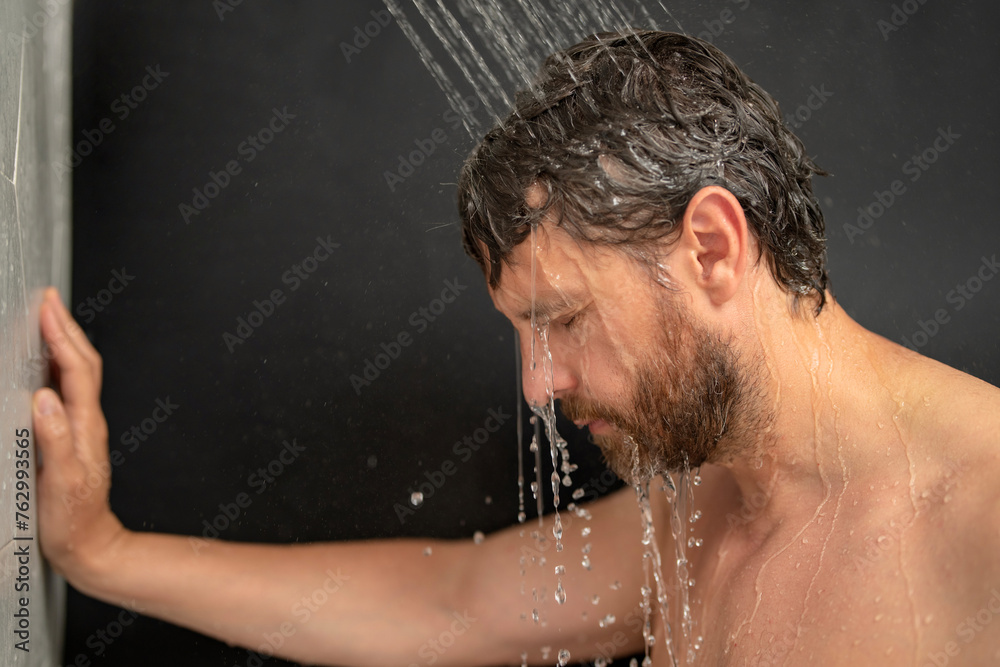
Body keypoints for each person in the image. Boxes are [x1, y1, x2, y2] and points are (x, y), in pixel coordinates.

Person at [35, 31, 999, 666]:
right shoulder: (703, 514)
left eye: (564, 319)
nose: (540, 383)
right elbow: (450, 601)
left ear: (711, 246)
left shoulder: (983, 514)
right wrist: (104, 554)